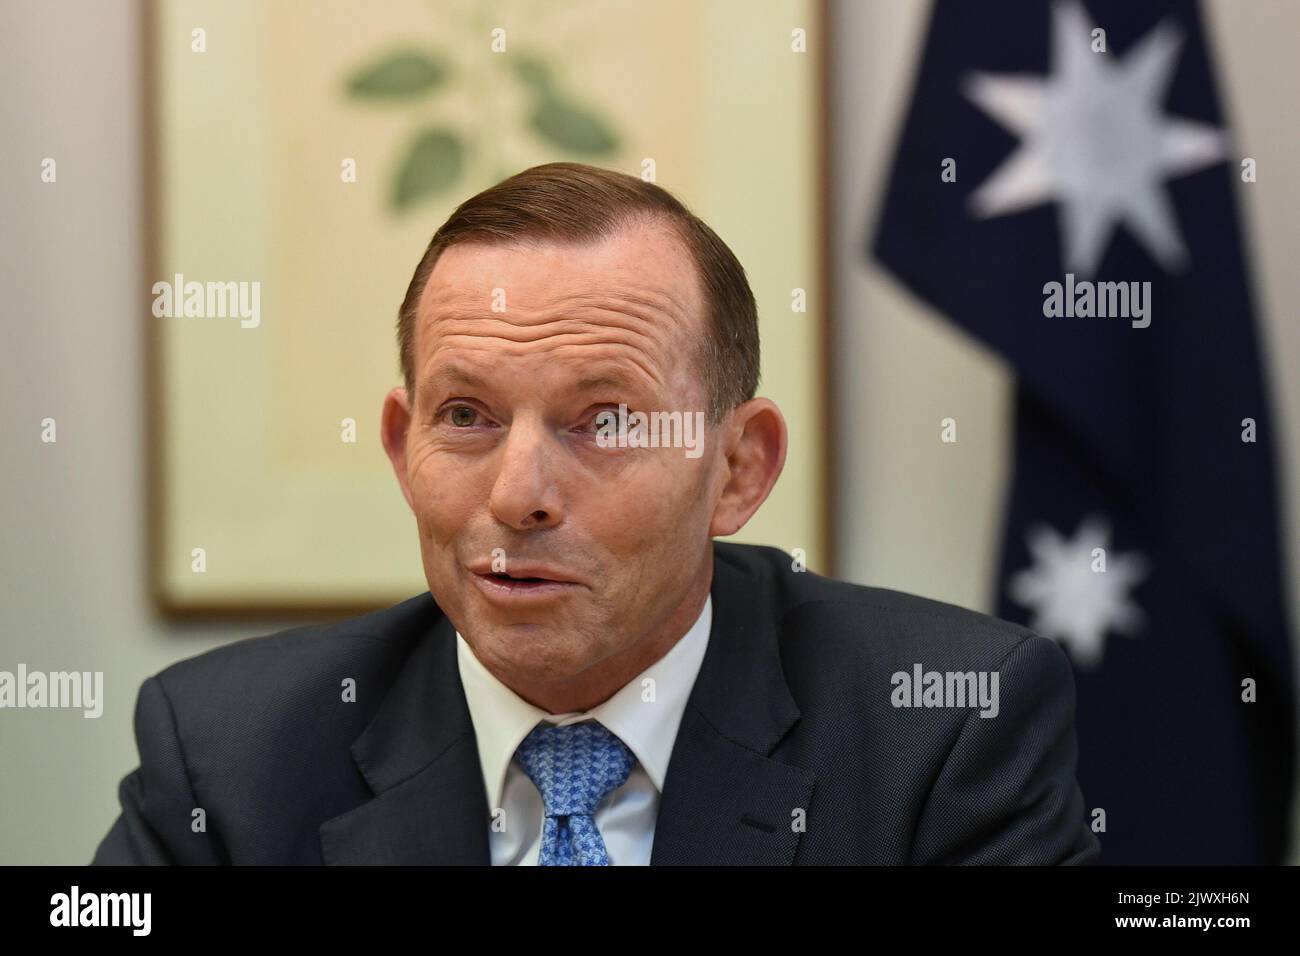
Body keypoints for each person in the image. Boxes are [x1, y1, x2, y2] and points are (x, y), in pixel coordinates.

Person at [93, 162, 1099, 865]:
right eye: (466, 415)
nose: (517, 492)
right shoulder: (227, 752)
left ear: (738, 468)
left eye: (605, 420)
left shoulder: (943, 730)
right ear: (403, 448)